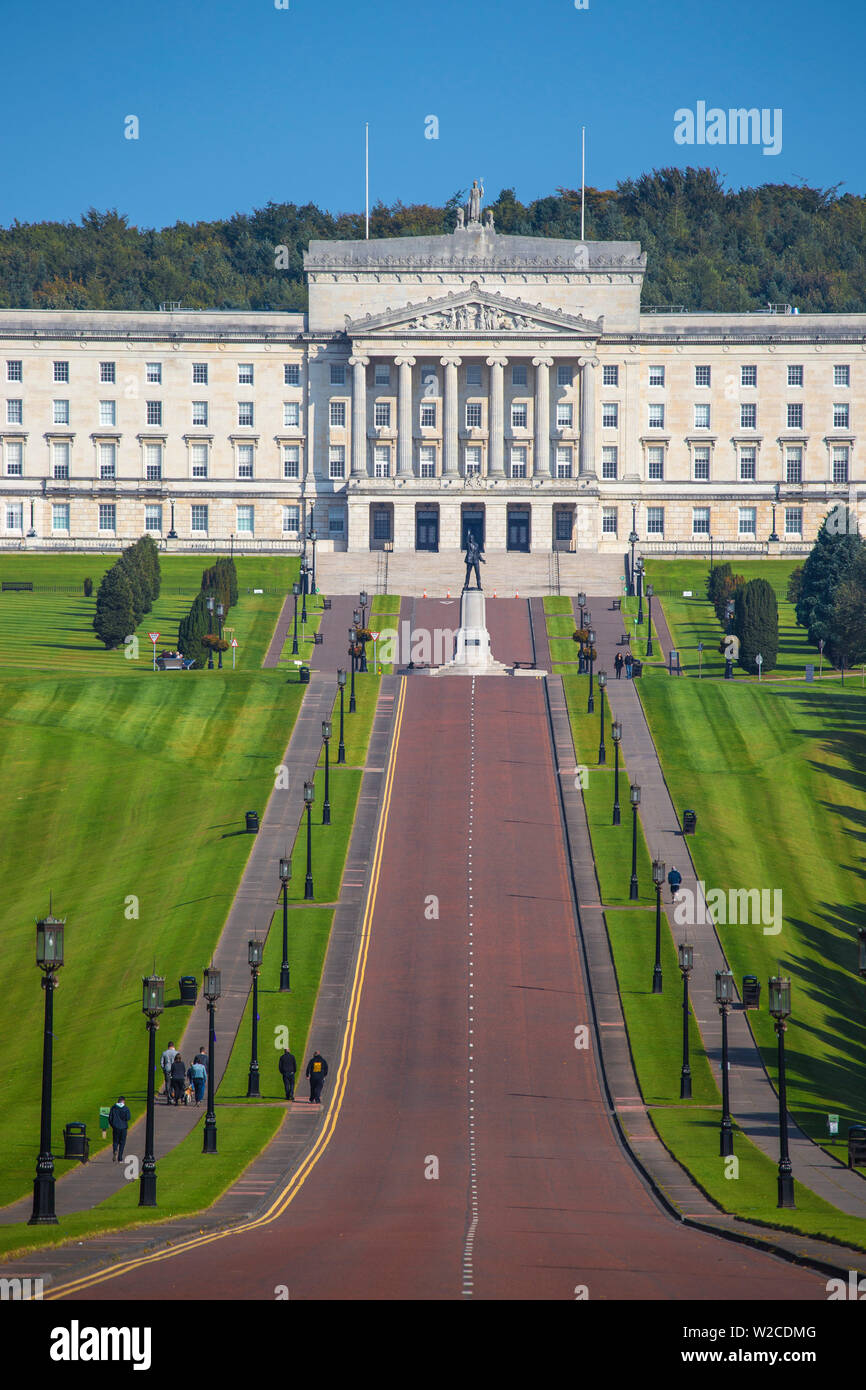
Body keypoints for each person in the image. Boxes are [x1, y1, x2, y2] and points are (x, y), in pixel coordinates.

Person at [108, 1096, 131, 1163]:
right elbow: (128, 1118)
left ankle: (115, 1150)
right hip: (123, 1127)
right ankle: (120, 1158)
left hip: (116, 1127)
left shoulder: (113, 1108)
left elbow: (110, 1118)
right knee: (122, 1143)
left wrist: (113, 1125)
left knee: (115, 1141)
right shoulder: (126, 1108)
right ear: (123, 1101)